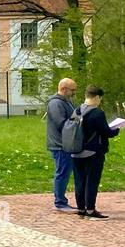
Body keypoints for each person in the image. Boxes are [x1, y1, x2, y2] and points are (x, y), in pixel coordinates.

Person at [72, 85, 120, 219]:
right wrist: (117, 129)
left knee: (79, 180)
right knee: (91, 181)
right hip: (93, 152)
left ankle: (81, 208)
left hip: (75, 151)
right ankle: (90, 210)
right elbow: (106, 132)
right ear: (97, 97)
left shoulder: (76, 111)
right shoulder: (97, 113)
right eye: (100, 99)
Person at [45, 78, 78, 211]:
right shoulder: (56, 103)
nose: (74, 93)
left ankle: (61, 201)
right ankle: (60, 202)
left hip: (67, 143)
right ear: (64, 89)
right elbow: (62, 124)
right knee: (62, 172)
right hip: (59, 144)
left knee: (65, 172)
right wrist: (77, 122)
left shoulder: (66, 102)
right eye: (72, 90)